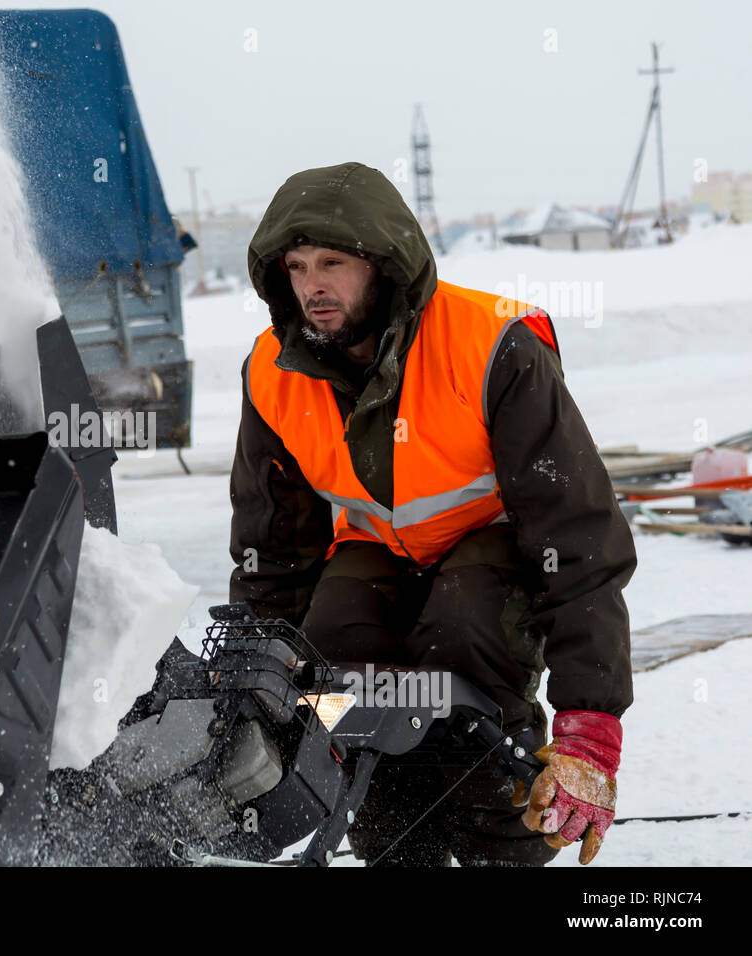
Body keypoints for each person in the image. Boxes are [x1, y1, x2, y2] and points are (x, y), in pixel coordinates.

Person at [228, 162, 635, 866]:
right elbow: (275, 545)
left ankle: (501, 849)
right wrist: (263, 679)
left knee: (461, 631)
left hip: (497, 549)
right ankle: (395, 847)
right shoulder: (272, 370)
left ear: (384, 265)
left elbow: (577, 534)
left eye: (332, 262)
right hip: (380, 553)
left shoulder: (493, 345)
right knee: (332, 649)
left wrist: (590, 729)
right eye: (295, 266)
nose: (311, 285)